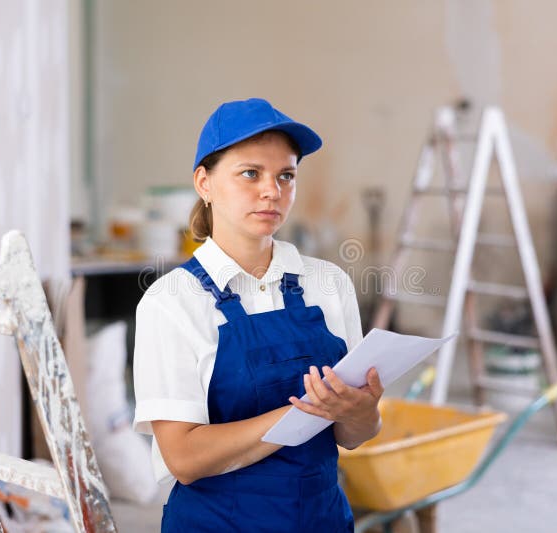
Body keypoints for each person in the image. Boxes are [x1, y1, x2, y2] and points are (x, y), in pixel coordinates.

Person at [133, 97, 384, 532]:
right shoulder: (171, 301)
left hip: (322, 519)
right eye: (251, 173)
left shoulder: (329, 284)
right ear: (204, 183)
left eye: (285, 175)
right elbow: (185, 459)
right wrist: (306, 411)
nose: (272, 190)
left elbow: (352, 437)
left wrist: (361, 410)